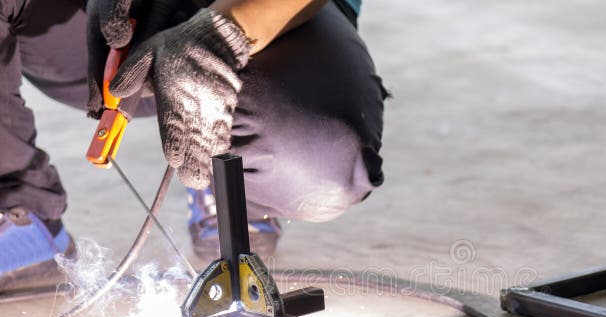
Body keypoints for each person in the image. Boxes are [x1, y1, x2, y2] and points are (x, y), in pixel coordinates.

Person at [0, 0, 387, 291]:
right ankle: (19, 209)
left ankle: (224, 154)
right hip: (89, 23)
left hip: (266, 16)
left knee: (319, 161)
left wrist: (225, 33)